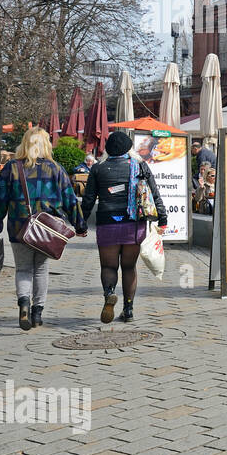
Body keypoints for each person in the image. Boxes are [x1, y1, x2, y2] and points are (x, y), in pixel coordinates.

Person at [0, 127, 87, 330]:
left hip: (18, 228)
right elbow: (70, 199)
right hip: (47, 231)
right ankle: (38, 313)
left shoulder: (11, 168)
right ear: (46, 145)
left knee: (23, 269)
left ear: (24, 143)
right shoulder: (56, 168)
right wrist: (80, 225)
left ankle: (24, 304)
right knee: (41, 269)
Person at [81, 130, 167, 324]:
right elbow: (154, 194)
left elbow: (88, 200)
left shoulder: (97, 169)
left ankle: (109, 293)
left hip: (107, 223)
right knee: (129, 267)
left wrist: (81, 224)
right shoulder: (140, 166)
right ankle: (128, 309)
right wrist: (162, 218)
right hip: (133, 224)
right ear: (129, 148)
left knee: (108, 266)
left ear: (108, 150)